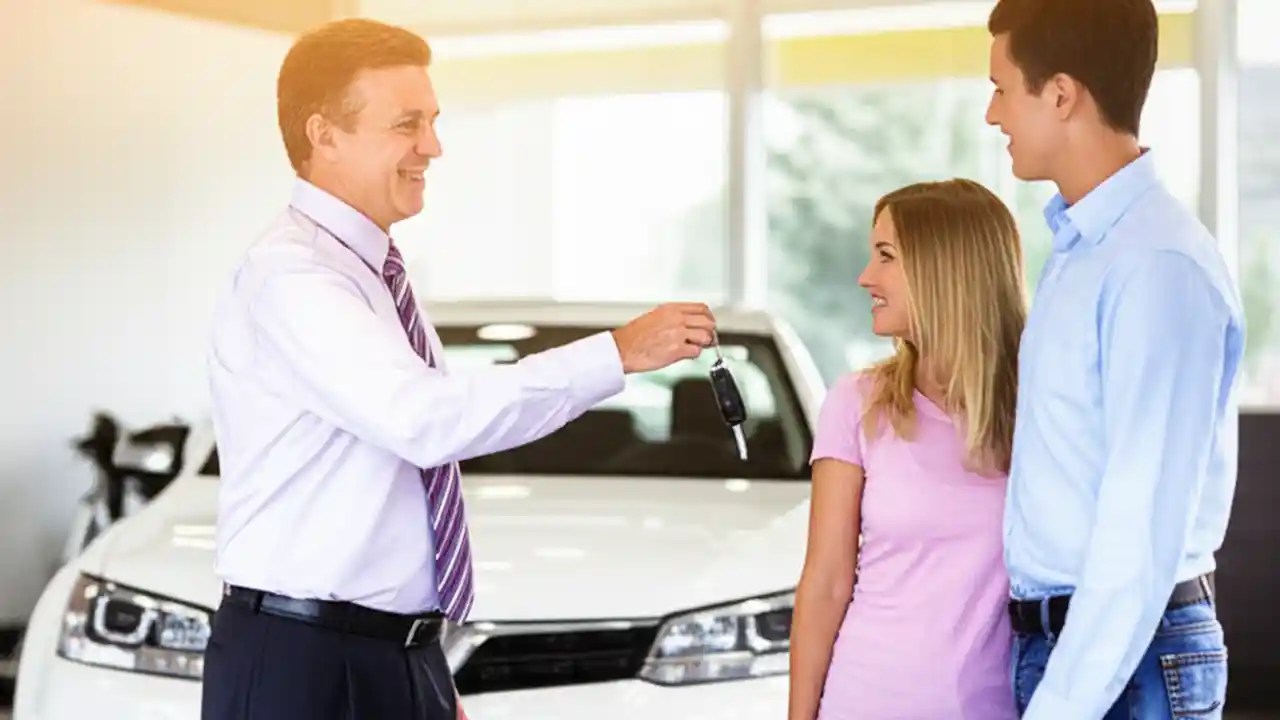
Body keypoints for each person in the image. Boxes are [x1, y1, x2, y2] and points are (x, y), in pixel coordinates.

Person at [199, 18, 718, 720]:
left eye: (433, 121)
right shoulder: (295, 276)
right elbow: (426, 418)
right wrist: (616, 353)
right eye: (407, 124)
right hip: (308, 664)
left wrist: (419, 671)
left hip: (384, 653)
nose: (433, 147)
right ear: (324, 135)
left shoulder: (370, 270)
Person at [985, 0, 1247, 717]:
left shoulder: (1155, 262)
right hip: (1076, 649)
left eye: (1002, 89)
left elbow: (1142, 521)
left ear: (1062, 94)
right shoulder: (1082, 250)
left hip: (1128, 660)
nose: (992, 115)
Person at [788, 178, 1027, 720]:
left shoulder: (1038, 409)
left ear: (945, 266)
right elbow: (825, 584)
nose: (865, 277)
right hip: (864, 700)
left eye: (886, 256)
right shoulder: (856, 402)